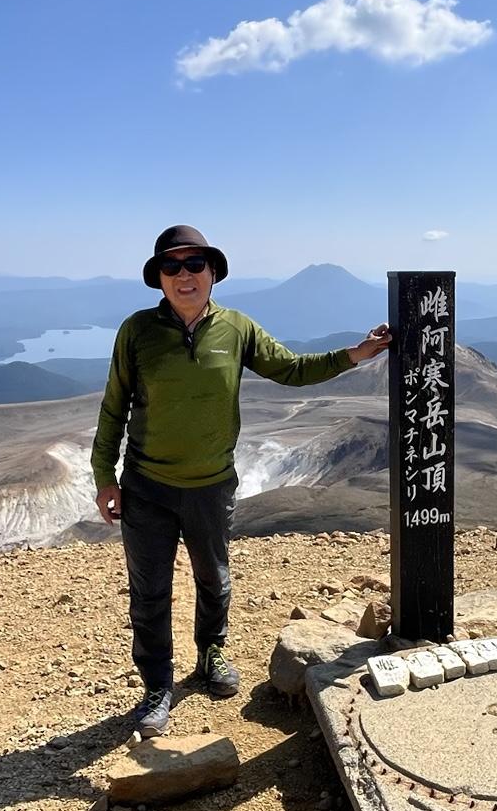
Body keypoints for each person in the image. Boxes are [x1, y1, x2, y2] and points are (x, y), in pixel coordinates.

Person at [91, 225, 391, 736]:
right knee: (149, 591)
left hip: (211, 484)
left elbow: (292, 369)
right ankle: (158, 687)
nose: (184, 275)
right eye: (172, 267)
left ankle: (210, 655)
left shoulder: (237, 328)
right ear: (159, 278)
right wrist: (105, 475)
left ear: (213, 273)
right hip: (146, 485)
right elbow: (114, 405)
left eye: (194, 265)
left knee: (214, 577)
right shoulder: (137, 331)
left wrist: (355, 354)